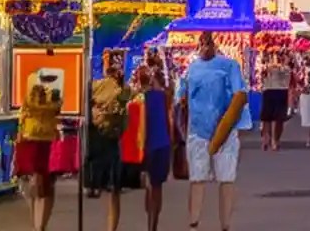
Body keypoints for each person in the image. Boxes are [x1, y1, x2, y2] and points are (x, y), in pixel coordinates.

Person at [176, 30, 251, 230]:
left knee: (226, 179)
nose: (205, 46)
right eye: (202, 43)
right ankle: (193, 222)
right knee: (197, 179)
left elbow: (240, 97)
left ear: (215, 45)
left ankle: (225, 225)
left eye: (208, 42)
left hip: (225, 133)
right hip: (198, 132)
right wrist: (182, 101)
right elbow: (180, 94)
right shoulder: (192, 69)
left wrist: (232, 124)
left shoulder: (230, 66)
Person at [85, 64, 133, 231]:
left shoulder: (99, 88)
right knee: (113, 191)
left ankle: (110, 226)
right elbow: (125, 122)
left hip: (101, 140)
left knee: (109, 189)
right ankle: (111, 228)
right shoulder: (120, 91)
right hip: (110, 142)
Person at [14, 79, 61, 231]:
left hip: (40, 138)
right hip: (34, 137)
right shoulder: (33, 83)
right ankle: (38, 226)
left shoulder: (51, 87)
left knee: (41, 183)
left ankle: (39, 226)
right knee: (36, 184)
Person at [139, 67, 173, 231]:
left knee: (149, 186)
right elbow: (170, 122)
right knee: (157, 186)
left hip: (148, 146)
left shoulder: (142, 98)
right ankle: (154, 224)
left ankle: (150, 222)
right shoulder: (165, 97)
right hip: (162, 145)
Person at [259, 54, 291, 151]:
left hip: (281, 90)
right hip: (268, 90)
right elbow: (261, 76)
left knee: (278, 118)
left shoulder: (286, 67)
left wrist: (283, 64)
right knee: (267, 118)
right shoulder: (265, 65)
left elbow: (287, 76)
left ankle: (274, 140)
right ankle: (266, 139)